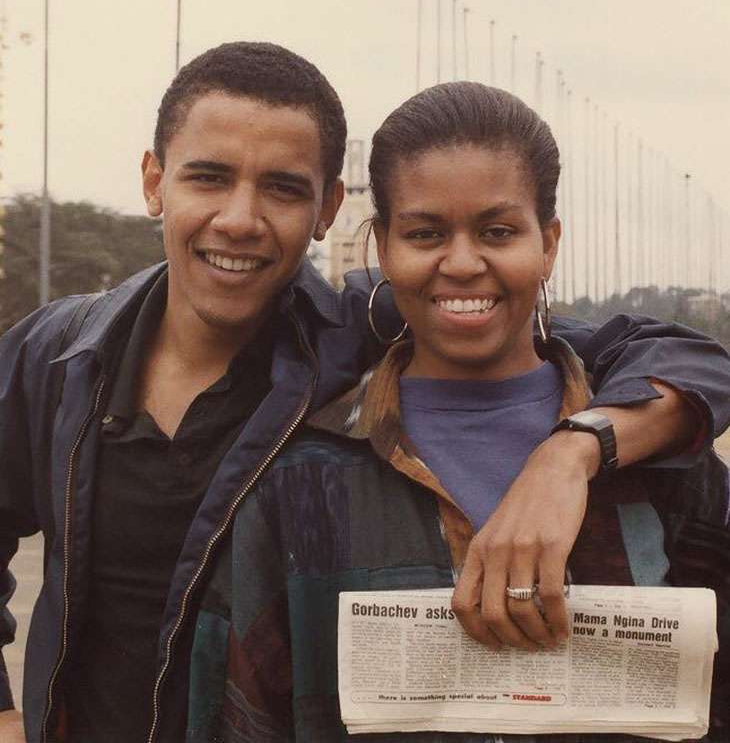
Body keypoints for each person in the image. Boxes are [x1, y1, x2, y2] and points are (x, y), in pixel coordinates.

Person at [0, 45, 728, 743]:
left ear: (327, 211)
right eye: (208, 177)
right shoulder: (56, 358)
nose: (240, 219)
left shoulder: (351, 336)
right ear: (155, 181)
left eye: (283, 187)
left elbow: (667, 354)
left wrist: (572, 452)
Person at [213, 82, 730, 741]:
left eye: (498, 231)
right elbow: (246, 711)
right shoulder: (301, 472)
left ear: (548, 243)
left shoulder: (664, 460)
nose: (462, 263)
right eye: (426, 233)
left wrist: (570, 458)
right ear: (383, 247)